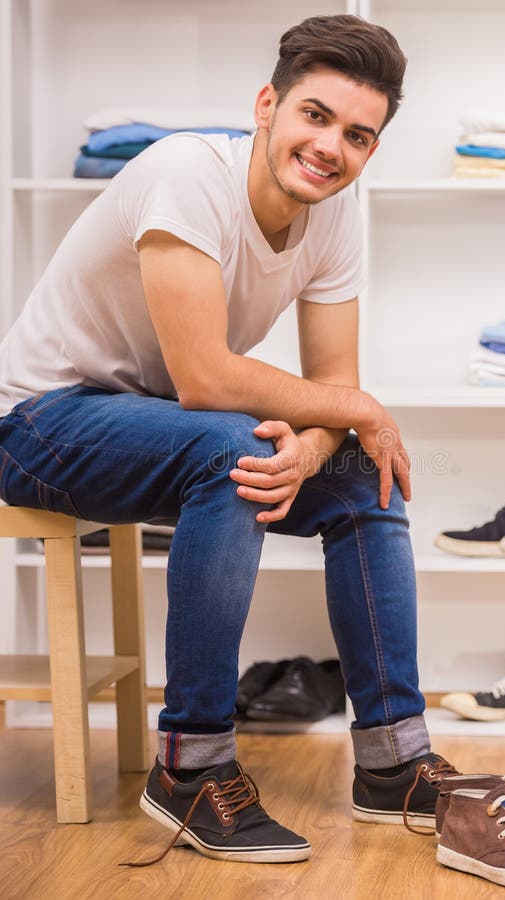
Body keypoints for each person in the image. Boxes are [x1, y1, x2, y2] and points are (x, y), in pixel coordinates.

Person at [0, 14, 455, 864]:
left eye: (357, 135)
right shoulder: (186, 174)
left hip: (160, 424)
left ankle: (394, 759)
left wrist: (322, 443)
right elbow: (205, 376)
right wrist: (350, 407)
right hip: (38, 423)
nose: (330, 147)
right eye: (314, 116)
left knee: (366, 473)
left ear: (371, 150)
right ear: (266, 106)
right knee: (232, 441)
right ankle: (189, 766)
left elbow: (330, 395)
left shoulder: (337, 214)